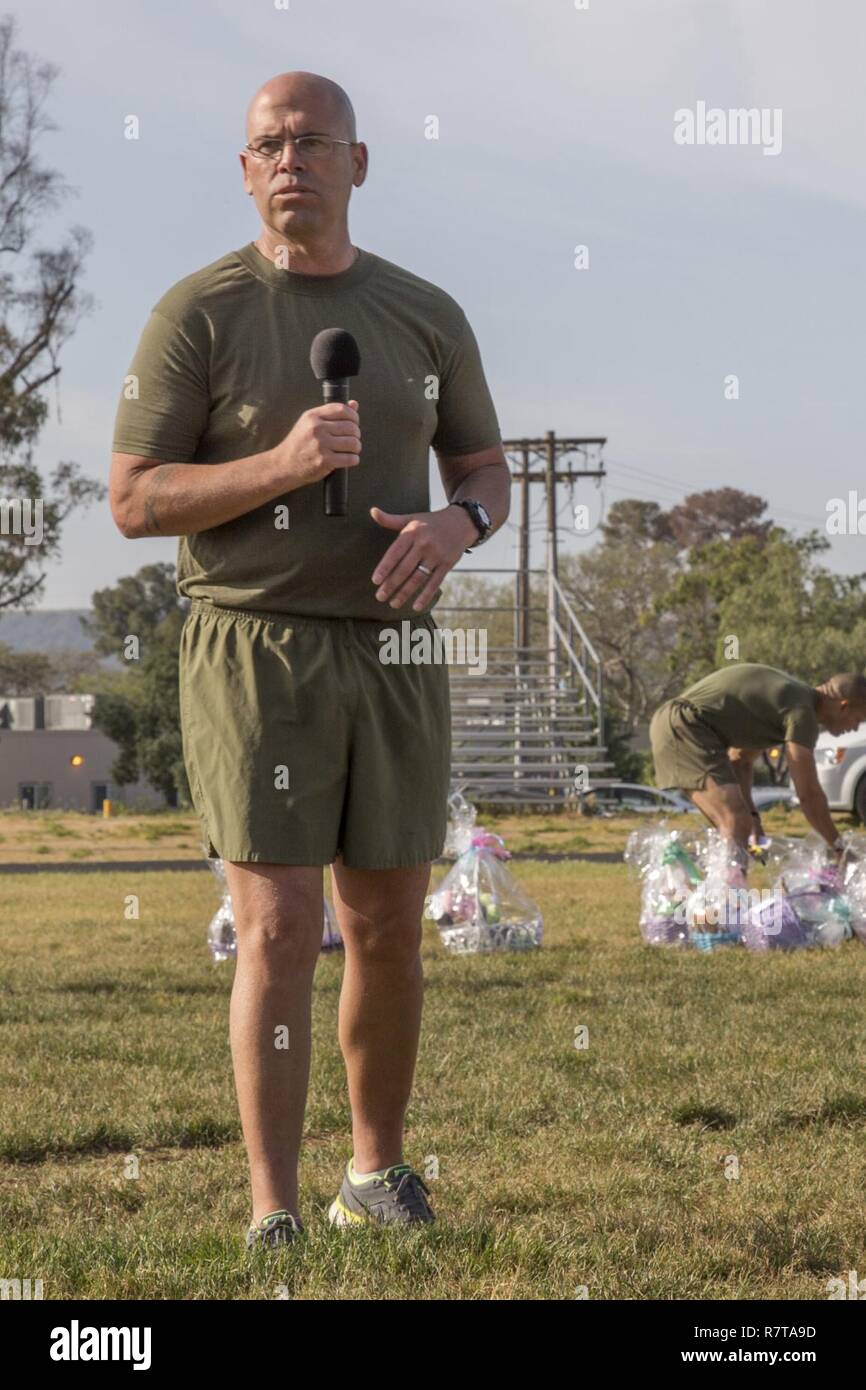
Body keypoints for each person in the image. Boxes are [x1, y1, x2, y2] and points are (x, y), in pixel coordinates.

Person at [109, 71, 511, 1247]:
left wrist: (456, 527)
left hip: (390, 650)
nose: (290, 159)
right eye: (267, 144)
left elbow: (483, 467)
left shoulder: (424, 313)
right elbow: (134, 499)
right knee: (280, 928)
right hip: (254, 647)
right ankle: (271, 1208)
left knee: (388, 922)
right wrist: (282, 466)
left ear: (359, 162)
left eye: (312, 142)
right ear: (244, 170)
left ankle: (374, 1177)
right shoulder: (197, 313)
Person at [649, 663, 866, 863]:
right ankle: (728, 900)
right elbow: (808, 795)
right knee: (734, 821)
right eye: (859, 719)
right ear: (843, 706)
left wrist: (754, 819)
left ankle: (721, 893)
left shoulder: (791, 701)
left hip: (680, 725)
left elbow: (740, 761)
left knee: (739, 826)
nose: (855, 729)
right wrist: (839, 847)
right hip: (685, 725)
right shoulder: (802, 712)